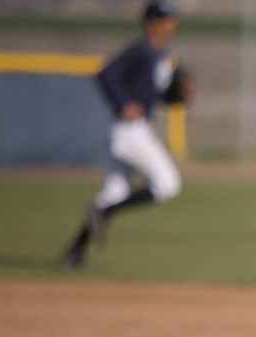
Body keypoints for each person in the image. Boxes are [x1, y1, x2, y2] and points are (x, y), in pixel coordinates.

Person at [59, 0, 189, 269]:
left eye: (172, 18)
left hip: (129, 131)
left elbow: (155, 94)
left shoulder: (161, 54)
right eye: (167, 18)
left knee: (115, 191)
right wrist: (122, 102)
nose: (172, 23)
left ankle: (74, 252)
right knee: (167, 184)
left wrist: (177, 96)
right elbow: (106, 73)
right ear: (152, 22)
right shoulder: (140, 50)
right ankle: (103, 212)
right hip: (130, 132)